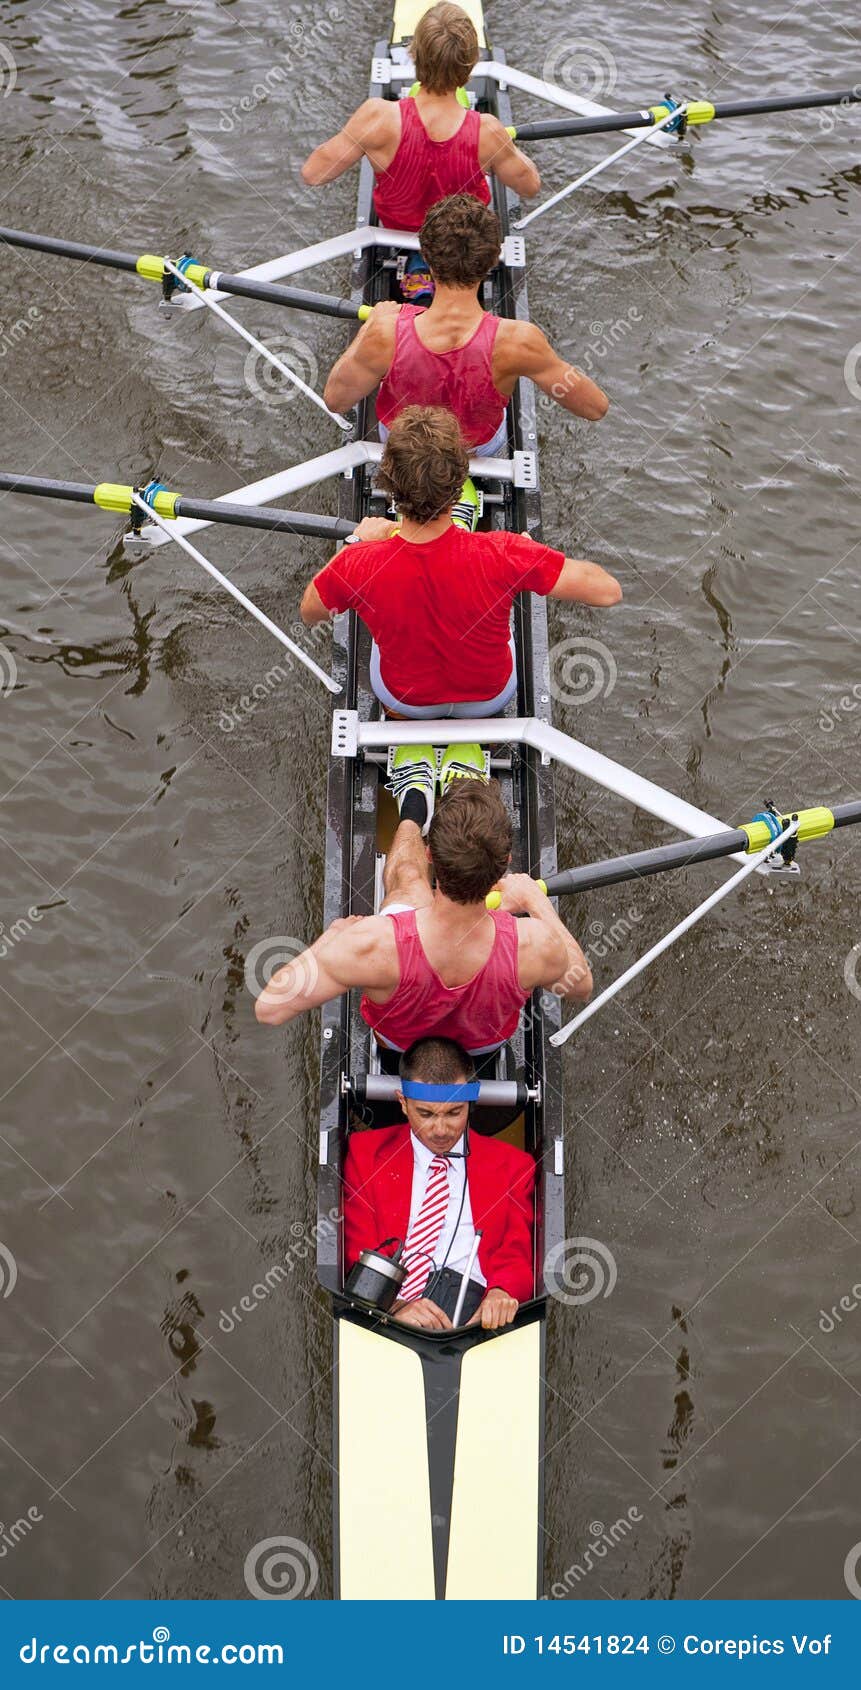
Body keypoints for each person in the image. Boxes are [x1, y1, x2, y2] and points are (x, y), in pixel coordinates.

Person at [299, 406, 621, 720]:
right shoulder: (505, 551)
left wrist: (357, 541)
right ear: (458, 484)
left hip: (407, 700)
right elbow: (608, 592)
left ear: (390, 487)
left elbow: (310, 612)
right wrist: (531, 552)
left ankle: (399, 722)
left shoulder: (358, 562)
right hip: (489, 696)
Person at [254, 773, 593, 1066]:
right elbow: (582, 986)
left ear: (430, 853)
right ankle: (424, 799)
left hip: (399, 1048)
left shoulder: (371, 944)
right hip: (482, 1050)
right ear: (504, 862)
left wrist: (331, 937)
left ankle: (413, 810)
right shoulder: (536, 944)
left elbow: (269, 1008)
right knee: (413, 888)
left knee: (407, 879)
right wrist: (536, 901)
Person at [323, 194, 609, 453]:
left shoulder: (384, 331)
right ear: (492, 262)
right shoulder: (520, 341)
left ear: (426, 256)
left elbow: (336, 400)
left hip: (404, 446)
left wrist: (370, 327)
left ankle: (417, 291)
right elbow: (596, 408)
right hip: (476, 449)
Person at [301, 1, 539, 261]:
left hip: (397, 233)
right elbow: (530, 187)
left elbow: (313, 174)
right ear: (472, 64)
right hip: (461, 244)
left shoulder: (377, 117)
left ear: (413, 54)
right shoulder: (488, 131)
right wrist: (502, 146)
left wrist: (360, 139)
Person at [343, 1036, 535, 1331]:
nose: (441, 1130)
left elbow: (517, 1252)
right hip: (392, 1302)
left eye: (454, 1113)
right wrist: (395, 1306)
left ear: (471, 1104)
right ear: (403, 1103)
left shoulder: (514, 1166)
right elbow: (358, 1248)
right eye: (426, 1114)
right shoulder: (365, 1153)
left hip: (475, 1310)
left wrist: (501, 1293)